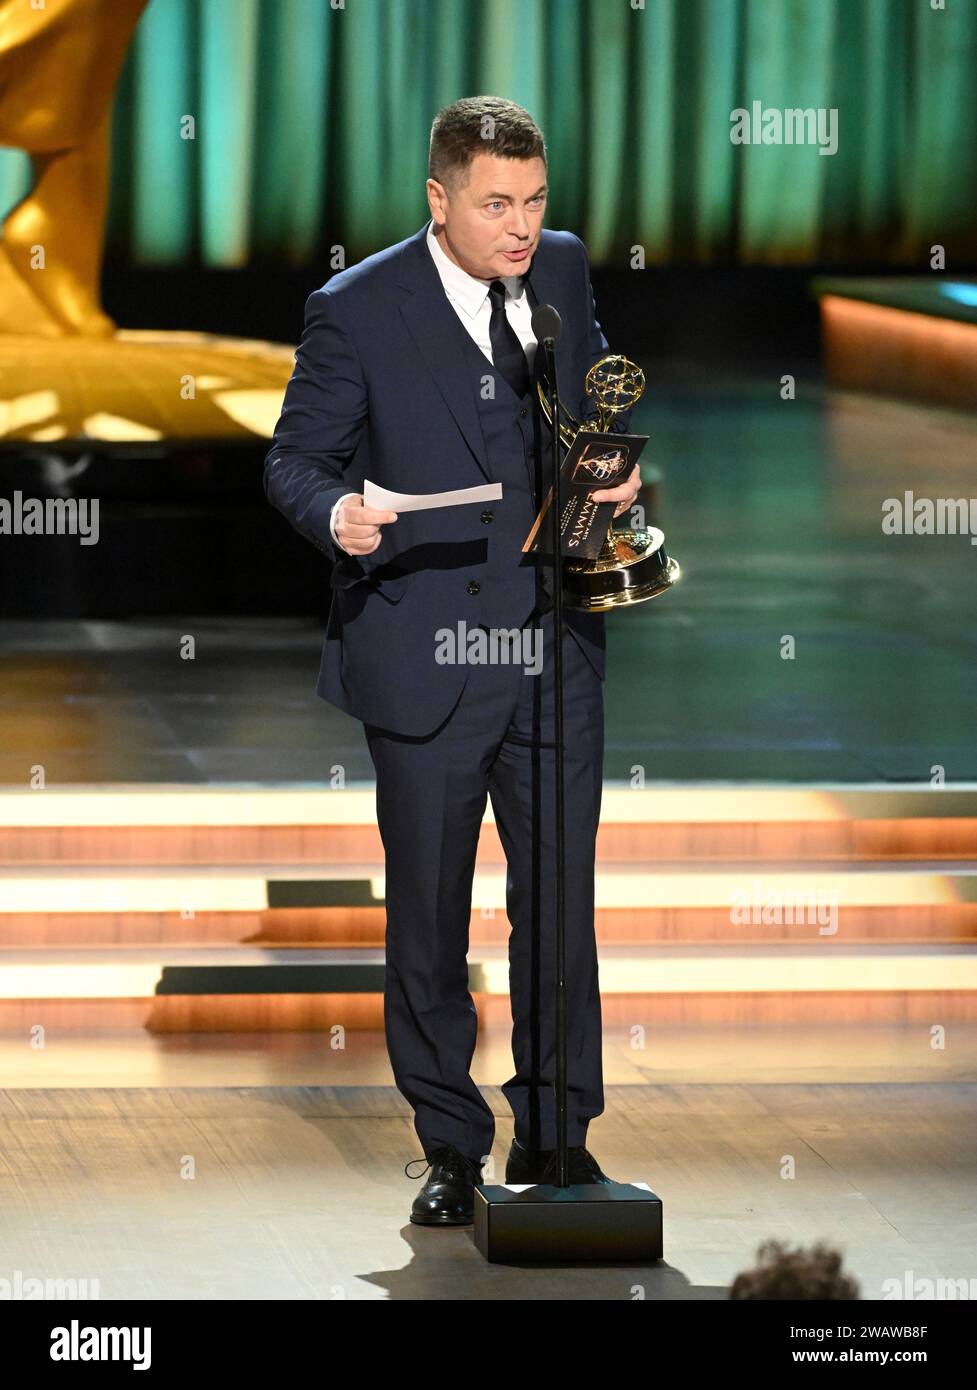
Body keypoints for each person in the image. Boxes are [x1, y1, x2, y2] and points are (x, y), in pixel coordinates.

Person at [264, 95, 641, 1226]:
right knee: (428, 913)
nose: (520, 228)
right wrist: (336, 515)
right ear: (438, 201)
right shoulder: (357, 309)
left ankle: (559, 1138)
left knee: (558, 901)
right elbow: (294, 460)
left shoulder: (561, 272)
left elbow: (598, 396)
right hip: (424, 649)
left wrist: (617, 472)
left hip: (552, 645)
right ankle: (449, 1146)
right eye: (494, 206)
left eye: (532, 202)